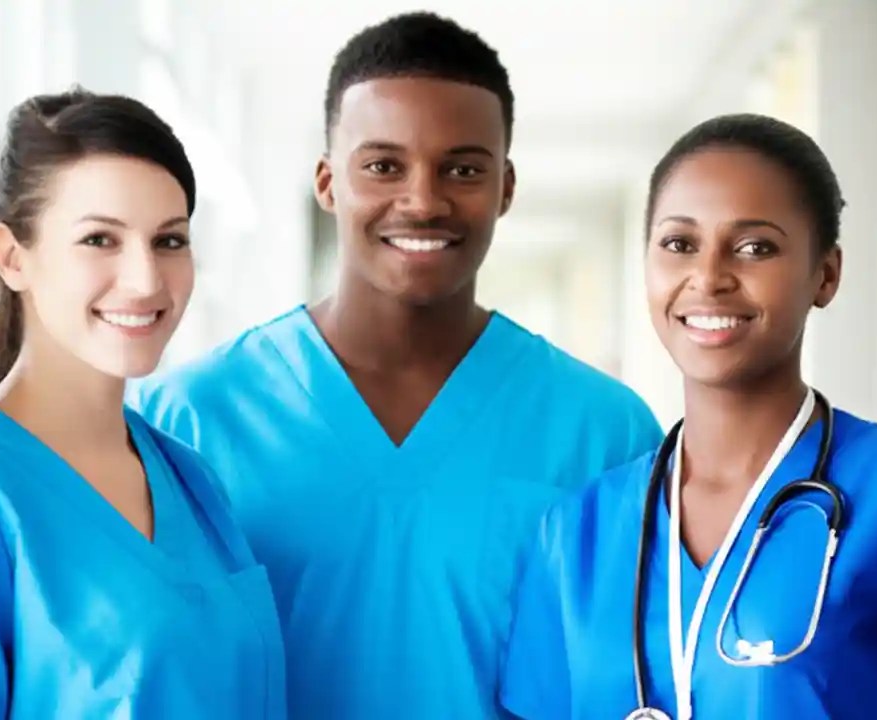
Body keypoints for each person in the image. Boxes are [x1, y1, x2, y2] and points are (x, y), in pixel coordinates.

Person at [128, 11, 662, 719]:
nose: (422, 200)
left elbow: (629, 684)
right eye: (383, 166)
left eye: (463, 169)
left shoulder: (604, 432)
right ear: (327, 181)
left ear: (505, 187)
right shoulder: (184, 420)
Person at [499, 113, 877, 720]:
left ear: (825, 274)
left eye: (755, 248)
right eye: (679, 244)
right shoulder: (578, 529)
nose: (709, 276)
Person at [0, 88, 286, 720]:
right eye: (100, 240)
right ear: (12, 257)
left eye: (169, 241)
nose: (145, 280)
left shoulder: (191, 480)